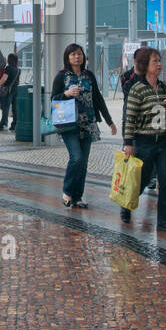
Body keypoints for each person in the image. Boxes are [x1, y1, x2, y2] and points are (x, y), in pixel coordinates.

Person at [121, 47, 166, 232]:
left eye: (159, 61)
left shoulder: (164, 87)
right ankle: (127, 204)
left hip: (164, 140)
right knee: (142, 179)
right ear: (145, 65)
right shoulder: (136, 89)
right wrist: (128, 143)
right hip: (144, 142)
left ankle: (165, 221)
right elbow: (130, 117)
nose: (159, 65)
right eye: (155, 61)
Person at [51, 43, 116, 208]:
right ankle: (67, 191)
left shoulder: (89, 75)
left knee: (83, 162)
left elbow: (98, 98)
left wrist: (109, 121)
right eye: (72, 54)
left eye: (79, 54)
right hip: (68, 124)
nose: (76, 57)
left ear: (84, 56)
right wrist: (66, 94)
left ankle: (78, 197)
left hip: (88, 123)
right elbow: (54, 99)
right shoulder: (62, 76)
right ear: (67, 57)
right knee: (76, 158)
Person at [0, 52, 20, 131]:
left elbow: (4, 78)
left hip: (8, 91)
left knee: (5, 108)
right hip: (16, 90)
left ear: (9, 60)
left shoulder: (8, 68)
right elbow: (18, 81)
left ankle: (1, 124)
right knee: (15, 108)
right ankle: (14, 125)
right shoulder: (18, 69)